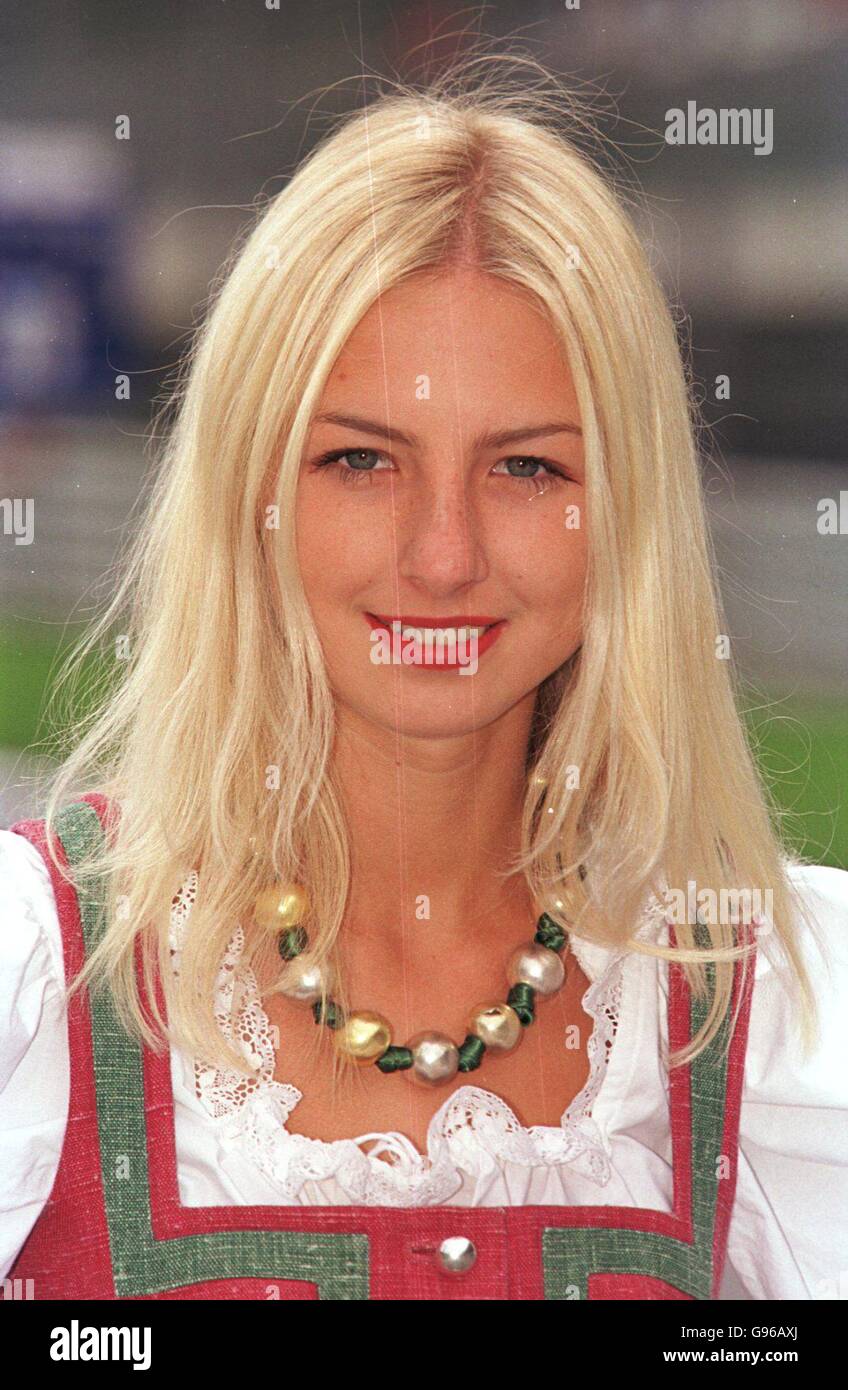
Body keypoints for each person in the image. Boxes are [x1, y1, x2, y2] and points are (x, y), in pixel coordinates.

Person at [1, 65, 846, 1302]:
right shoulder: (38, 970)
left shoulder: (776, 1003)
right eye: (360, 459)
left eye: (523, 468)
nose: (442, 555)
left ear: (623, 515)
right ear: (253, 497)